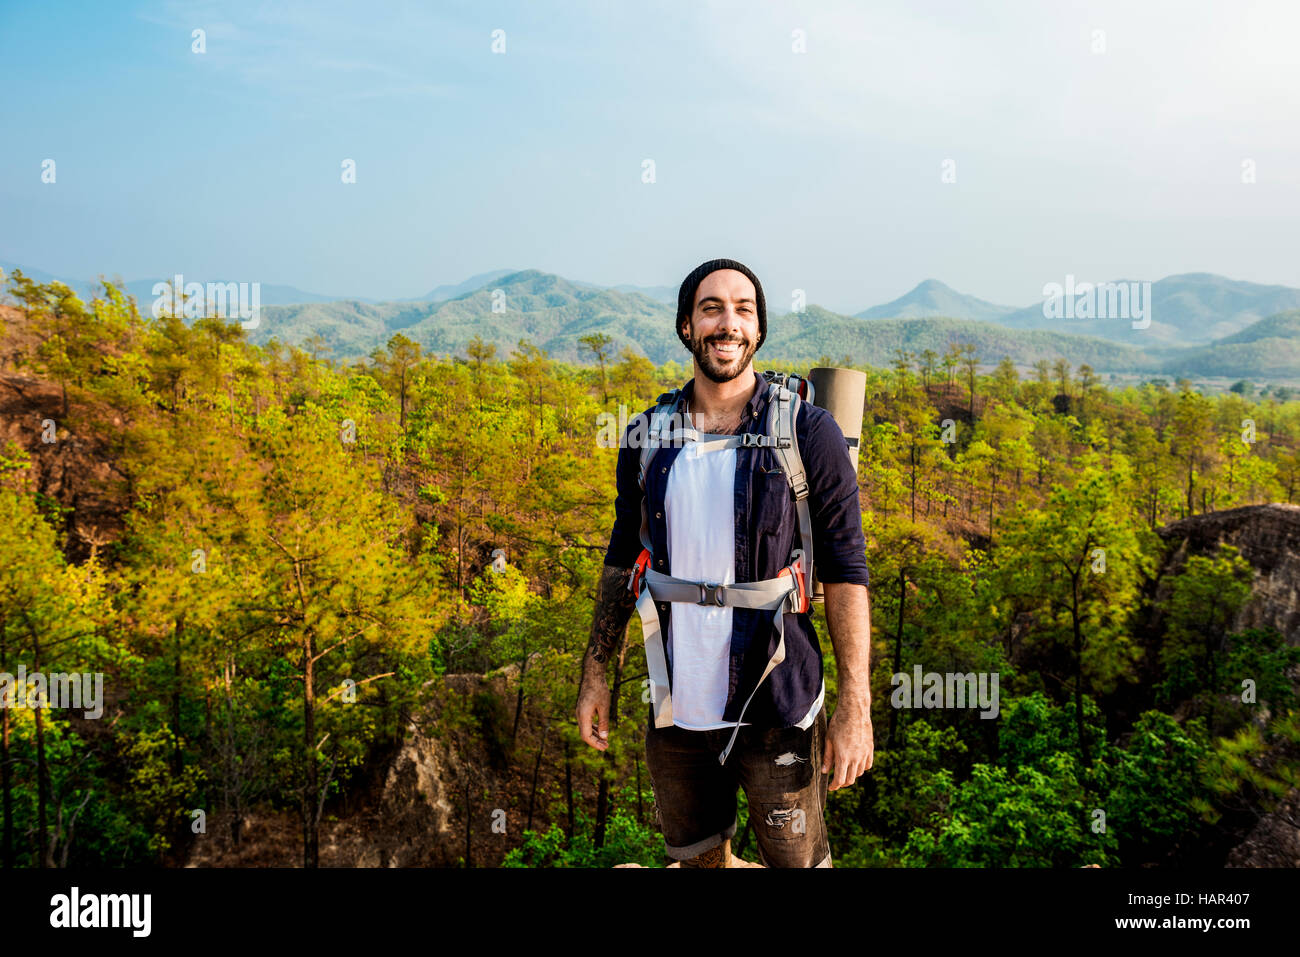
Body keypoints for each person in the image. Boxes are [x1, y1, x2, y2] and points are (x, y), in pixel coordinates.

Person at [576, 258, 873, 868]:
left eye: (743, 310)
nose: (727, 323)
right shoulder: (648, 436)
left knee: (799, 863)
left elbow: (846, 571)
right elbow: (621, 559)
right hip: (676, 705)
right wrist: (596, 672)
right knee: (699, 860)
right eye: (711, 308)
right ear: (687, 326)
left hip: (778, 706)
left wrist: (856, 707)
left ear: (758, 330)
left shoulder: (807, 434)